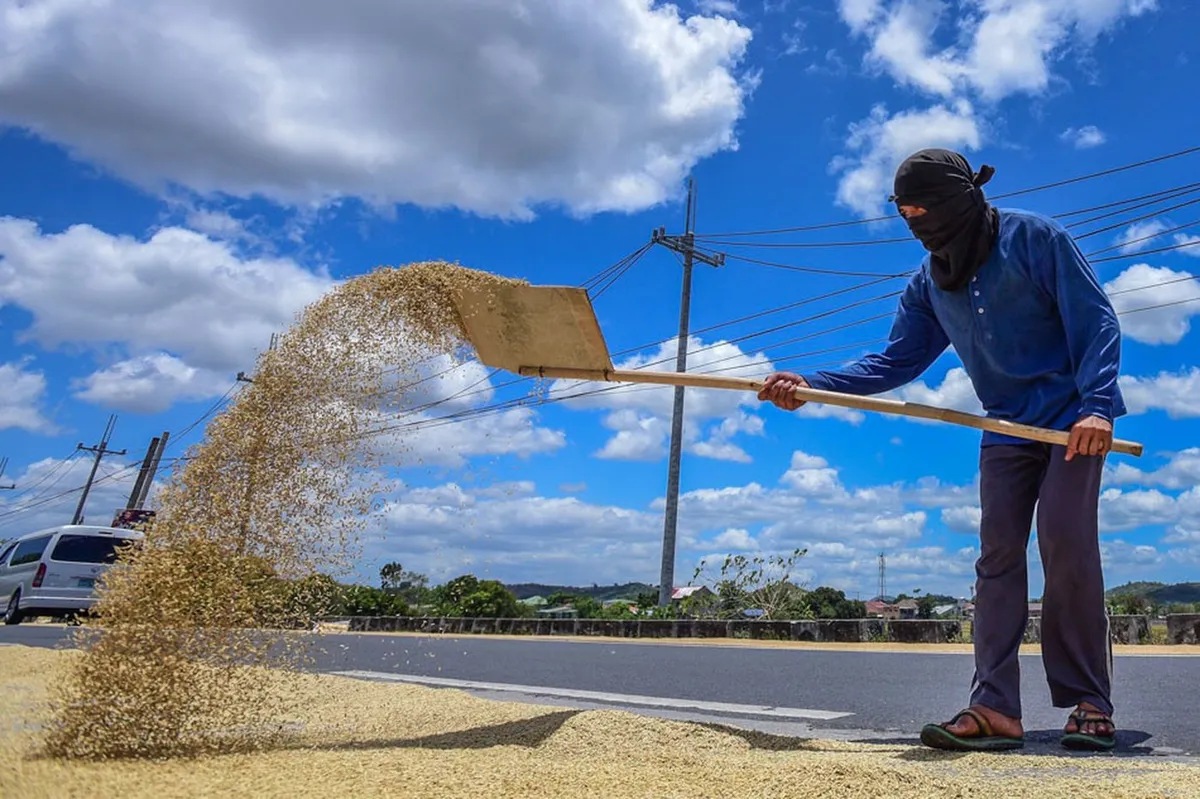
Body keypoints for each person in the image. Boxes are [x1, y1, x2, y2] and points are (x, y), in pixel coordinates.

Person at [758, 148, 1125, 752]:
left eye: (927, 208)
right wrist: (813, 386)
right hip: (1006, 426)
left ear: (963, 199)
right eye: (907, 214)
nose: (919, 223)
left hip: (1070, 423)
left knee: (1066, 545)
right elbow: (894, 360)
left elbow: (1097, 321)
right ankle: (995, 707)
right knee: (997, 560)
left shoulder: (1036, 239)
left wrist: (1097, 405)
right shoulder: (929, 281)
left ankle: (1089, 700)